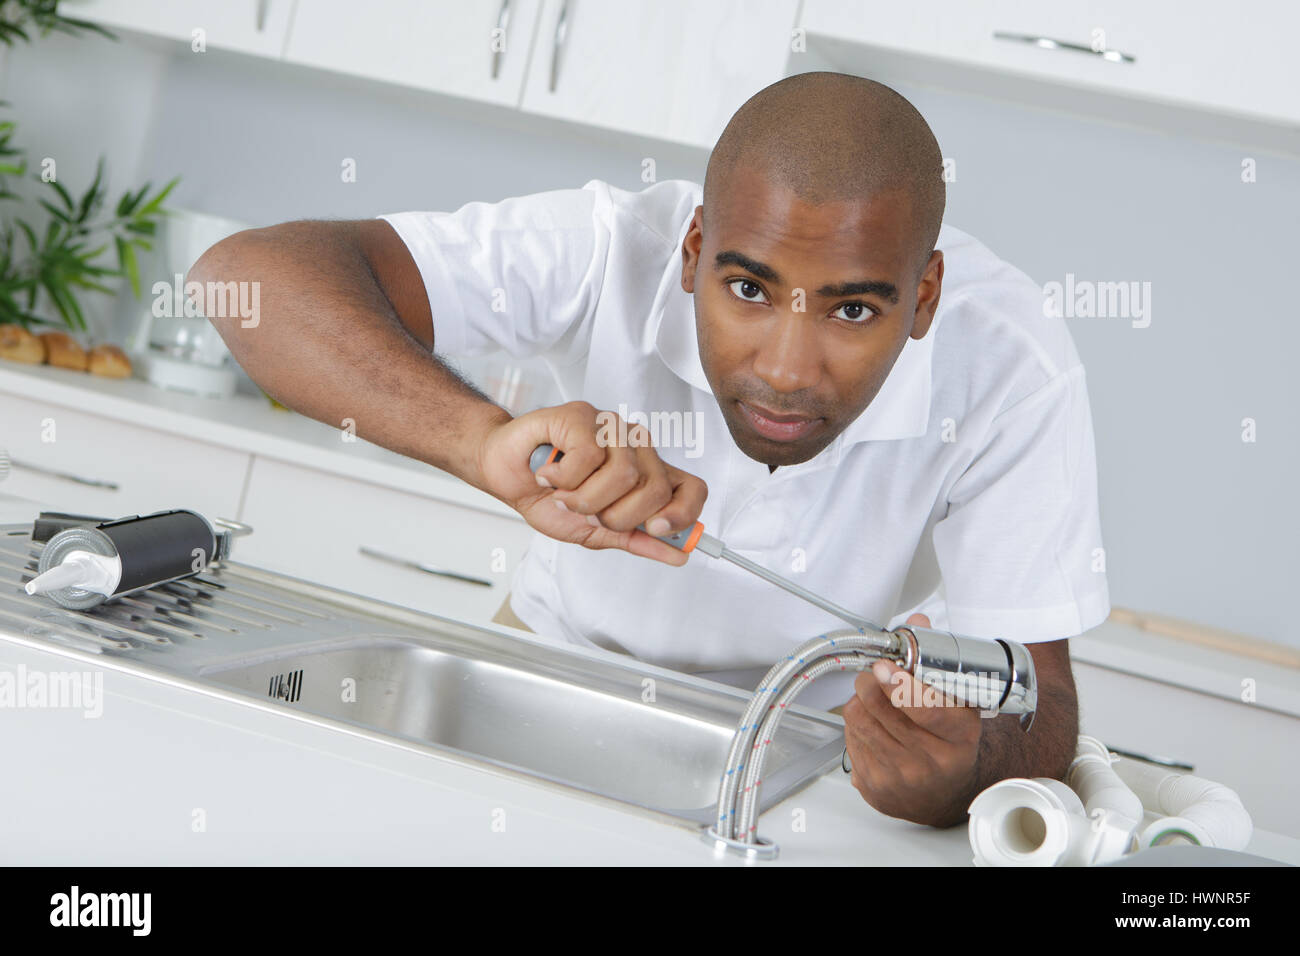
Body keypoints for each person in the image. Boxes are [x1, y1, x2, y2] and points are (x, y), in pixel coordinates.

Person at [190, 71, 1109, 828]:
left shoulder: (1013, 365)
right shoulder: (608, 246)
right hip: (549, 671)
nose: (788, 371)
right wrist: (486, 442)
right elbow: (243, 280)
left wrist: (951, 777)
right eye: (748, 290)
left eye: (854, 310)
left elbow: (1041, 704)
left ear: (928, 297)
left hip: (821, 756)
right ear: (693, 248)